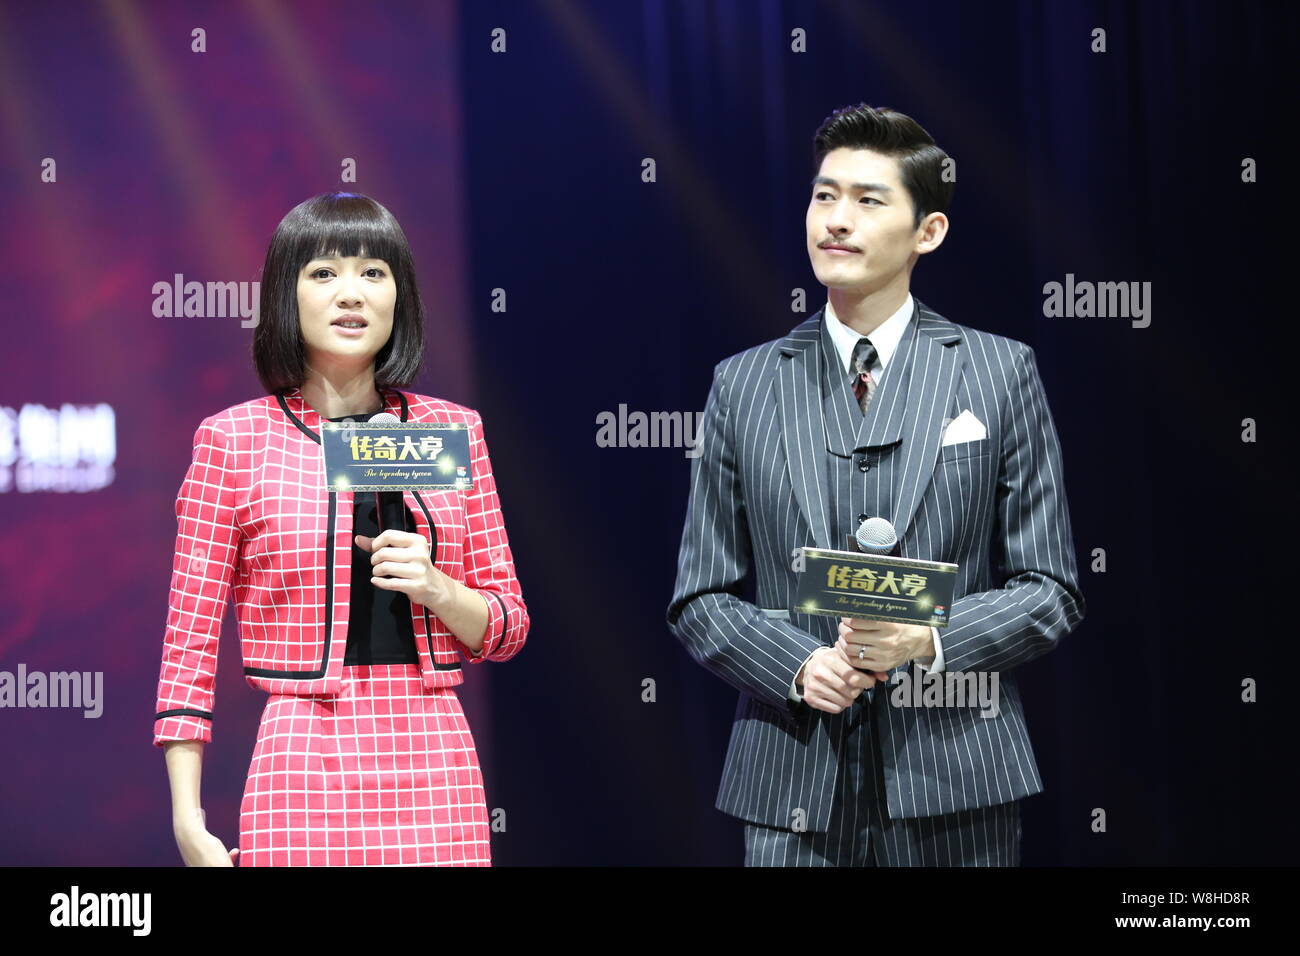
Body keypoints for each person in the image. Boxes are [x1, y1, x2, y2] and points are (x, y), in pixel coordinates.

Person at [666, 104, 1084, 866]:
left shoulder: (998, 371)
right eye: (824, 196)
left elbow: (1050, 588)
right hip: (792, 779)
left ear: (928, 232)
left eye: (868, 200)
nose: (837, 220)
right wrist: (794, 662)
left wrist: (925, 636)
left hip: (956, 775)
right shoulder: (745, 383)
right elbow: (700, 596)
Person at [153, 192, 528, 866]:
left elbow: (507, 627)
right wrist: (188, 820)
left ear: (400, 298)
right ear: (285, 298)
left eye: (373, 272)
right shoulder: (234, 441)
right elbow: (189, 644)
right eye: (324, 273)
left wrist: (438, 588)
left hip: (433, 752)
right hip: (303, 756)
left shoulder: (451, 430)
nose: (351, 293)